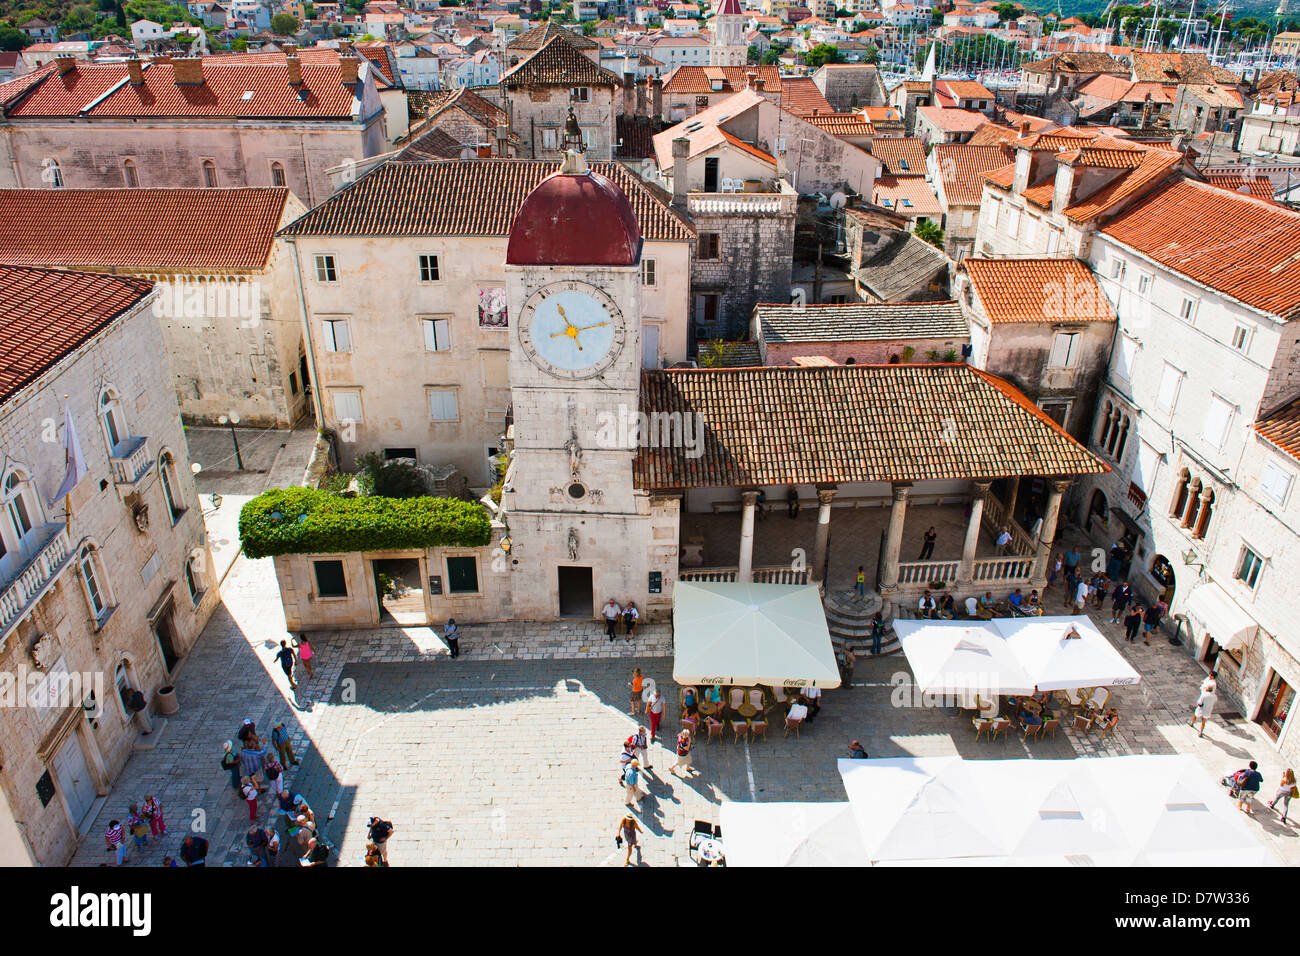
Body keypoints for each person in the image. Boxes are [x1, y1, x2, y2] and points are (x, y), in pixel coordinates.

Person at [1191, 672, 1217, 738]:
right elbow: (1214, 701)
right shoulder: (1214, 696)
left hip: (1202, 708)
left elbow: (1199, 703)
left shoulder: (1204, 695)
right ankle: (1201, 732)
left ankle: (1192, 723)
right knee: (1203, 721)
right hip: (1208, 709)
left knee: (1196, 715)